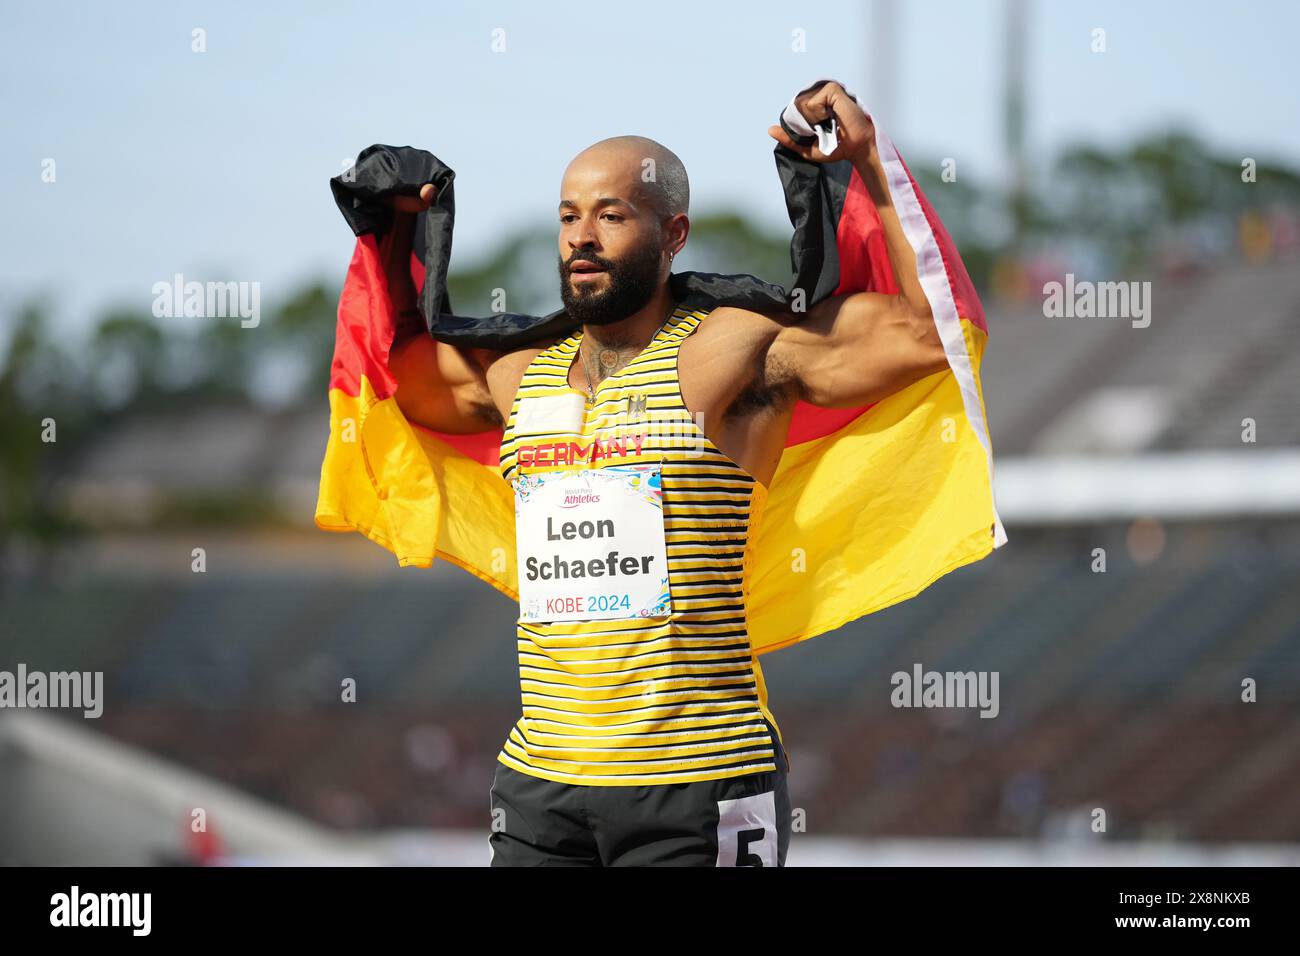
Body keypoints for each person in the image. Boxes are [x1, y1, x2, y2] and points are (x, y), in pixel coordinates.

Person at [372, 81, 950, 866]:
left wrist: (868, 165)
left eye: (611, 215)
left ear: (672, 232)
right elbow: (388, 374)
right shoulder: (517, 375)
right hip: (541, 782)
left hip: (700, 780)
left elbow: (923, 337)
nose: (583, 236)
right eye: (570, 216)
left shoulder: (733, 351)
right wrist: (396, 231)